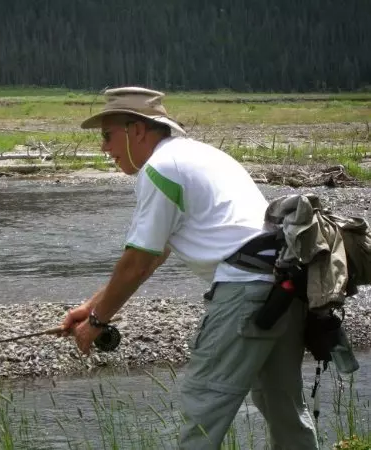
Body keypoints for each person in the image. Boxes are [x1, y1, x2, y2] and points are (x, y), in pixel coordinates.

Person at [61, 86, 319, 449]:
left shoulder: (159, 169)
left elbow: (136, 263)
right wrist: (91, 307)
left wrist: (98, 323)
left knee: (203, 409)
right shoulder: (200, 155)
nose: (104, 147)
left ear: (137, 130)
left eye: (107, 135)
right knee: (285, 411)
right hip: (285, 289)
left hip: (243, 294)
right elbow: (154, 255)